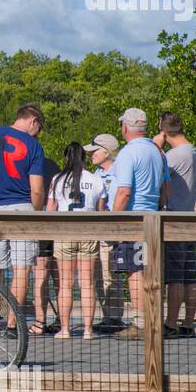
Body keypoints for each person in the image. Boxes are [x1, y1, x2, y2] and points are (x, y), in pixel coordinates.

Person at [0, 103, 47, 328]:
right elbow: (37, 189)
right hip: (22, 209)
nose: (38, 133)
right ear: (33, 121)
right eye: (39, 128)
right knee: (21, 269)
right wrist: (35, 212)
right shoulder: (33, 146)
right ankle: (13, 325)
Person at [110, 108, 168, 340]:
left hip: (133, 221)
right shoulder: (157, 152)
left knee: (135, 273)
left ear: (125, 127)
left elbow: (124, 192)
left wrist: (112, 221)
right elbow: (165, 189)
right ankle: (152, 320)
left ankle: (141, 324)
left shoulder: (127, 153)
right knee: (150, 272)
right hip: (153, 219)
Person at [46, 142, 107, 339]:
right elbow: (101, 210)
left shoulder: (57, 179)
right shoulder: (95, 179)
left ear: (66, 158)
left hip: (64, 232)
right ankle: (88, 330)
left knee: (65, 284)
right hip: (88, 232)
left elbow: (50, 209)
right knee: (87, 284)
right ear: (84, 158)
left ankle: (64, 329)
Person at [153, 112, 196, 337]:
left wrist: (156, 147)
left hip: (173, 219)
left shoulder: (174, 156)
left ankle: (171, 324)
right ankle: (188, 323)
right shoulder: (194, 151)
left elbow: (156, 174)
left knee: (174, 277)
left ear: (164, 132)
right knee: (189, 275)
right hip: (190, 218)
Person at [85, 133, 122, 325]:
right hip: (97, 230)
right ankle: (108, 315)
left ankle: (115, 317)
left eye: (94, 151)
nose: (91, 155)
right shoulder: (95, 175)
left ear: (106, 152)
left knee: (111, 274)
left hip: (113, 229)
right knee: (99, 275)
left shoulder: (119, 171)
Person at [32, 153, 60, 334]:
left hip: (39, 220)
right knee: (59, 275)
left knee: (40, 273)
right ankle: (61, 320)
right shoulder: (54, 167)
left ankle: (39, 321)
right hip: (57, 222)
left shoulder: (27, 166)